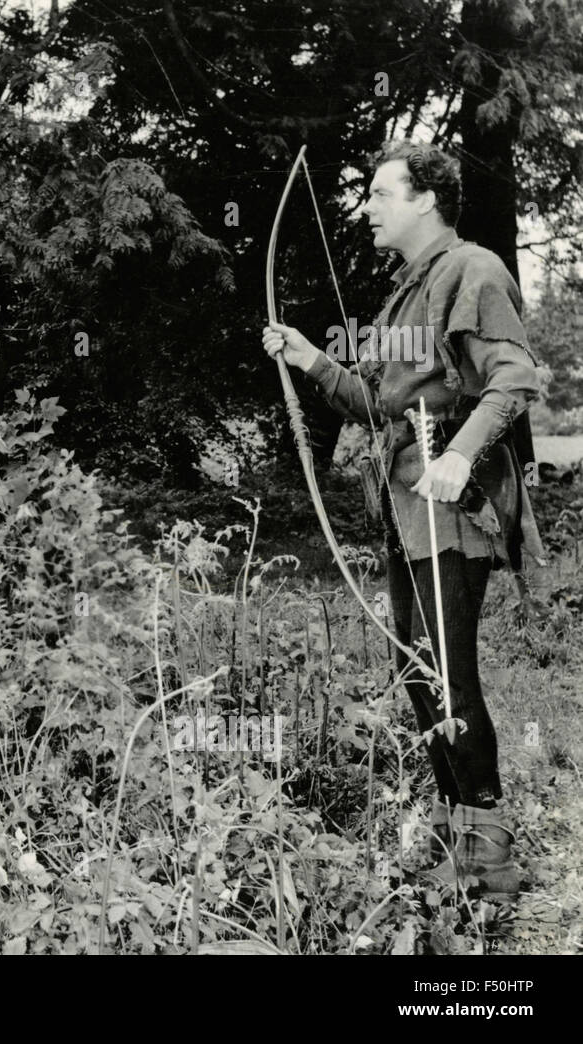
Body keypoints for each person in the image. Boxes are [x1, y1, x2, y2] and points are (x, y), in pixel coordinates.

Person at [261, 141, 547, 896]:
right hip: (406, 505)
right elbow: (379, 406)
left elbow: (515, 376)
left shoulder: (474, 270)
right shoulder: (407, 290)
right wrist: (310, 362)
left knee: (448, 675)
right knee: (418, 672)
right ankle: (465, 843)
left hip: (456, 508)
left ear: (425, 199)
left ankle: (492, 859)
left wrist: (459, 454)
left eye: (383, 193)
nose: (369, 207)